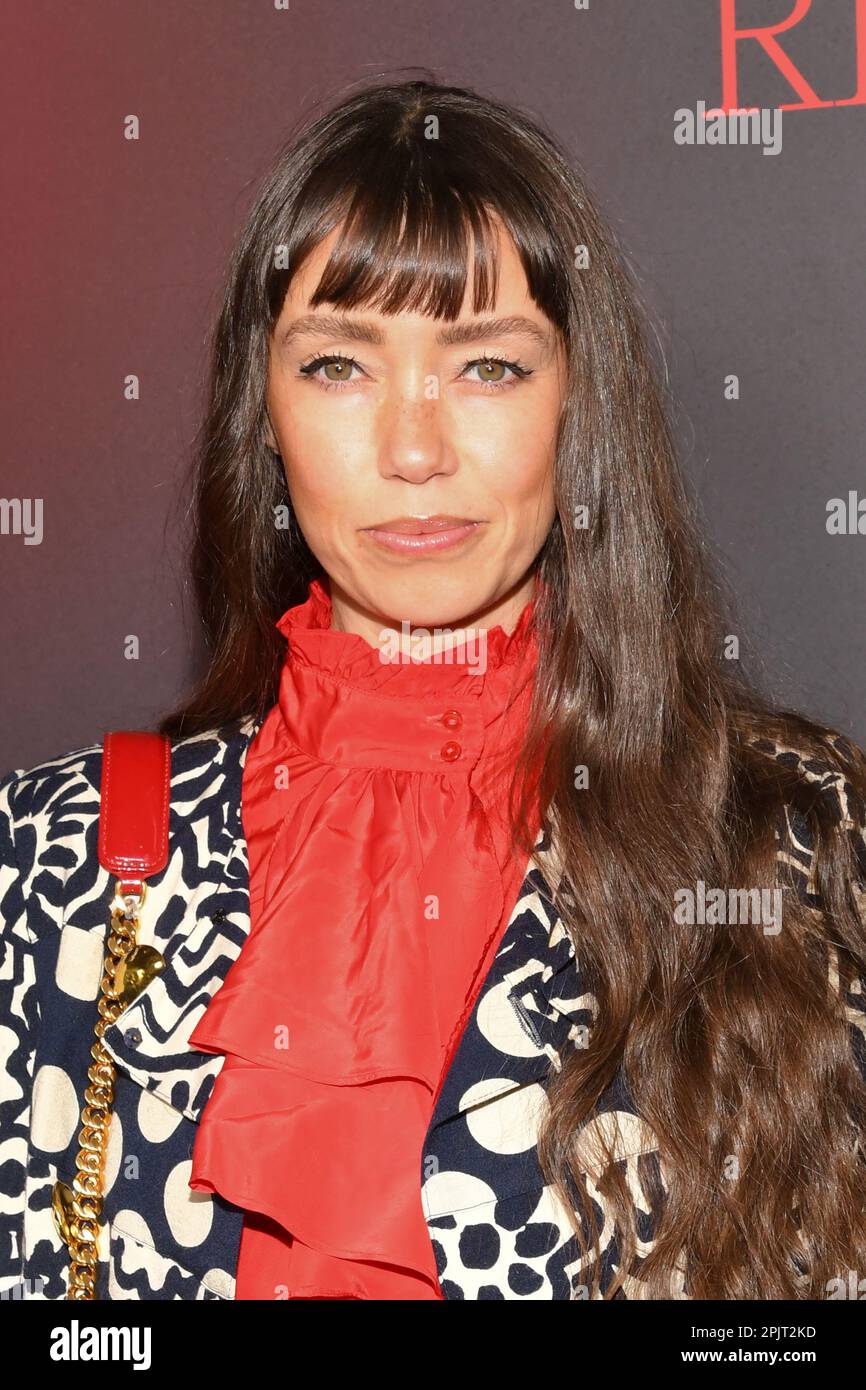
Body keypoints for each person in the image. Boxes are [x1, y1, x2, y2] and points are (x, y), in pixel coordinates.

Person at [1, 77, 865, 1303]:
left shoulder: (798, 840)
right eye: (341, 365)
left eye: (489, 368)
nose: (413, 450)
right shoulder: (50, 855)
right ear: (265, 418)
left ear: (580, 410)